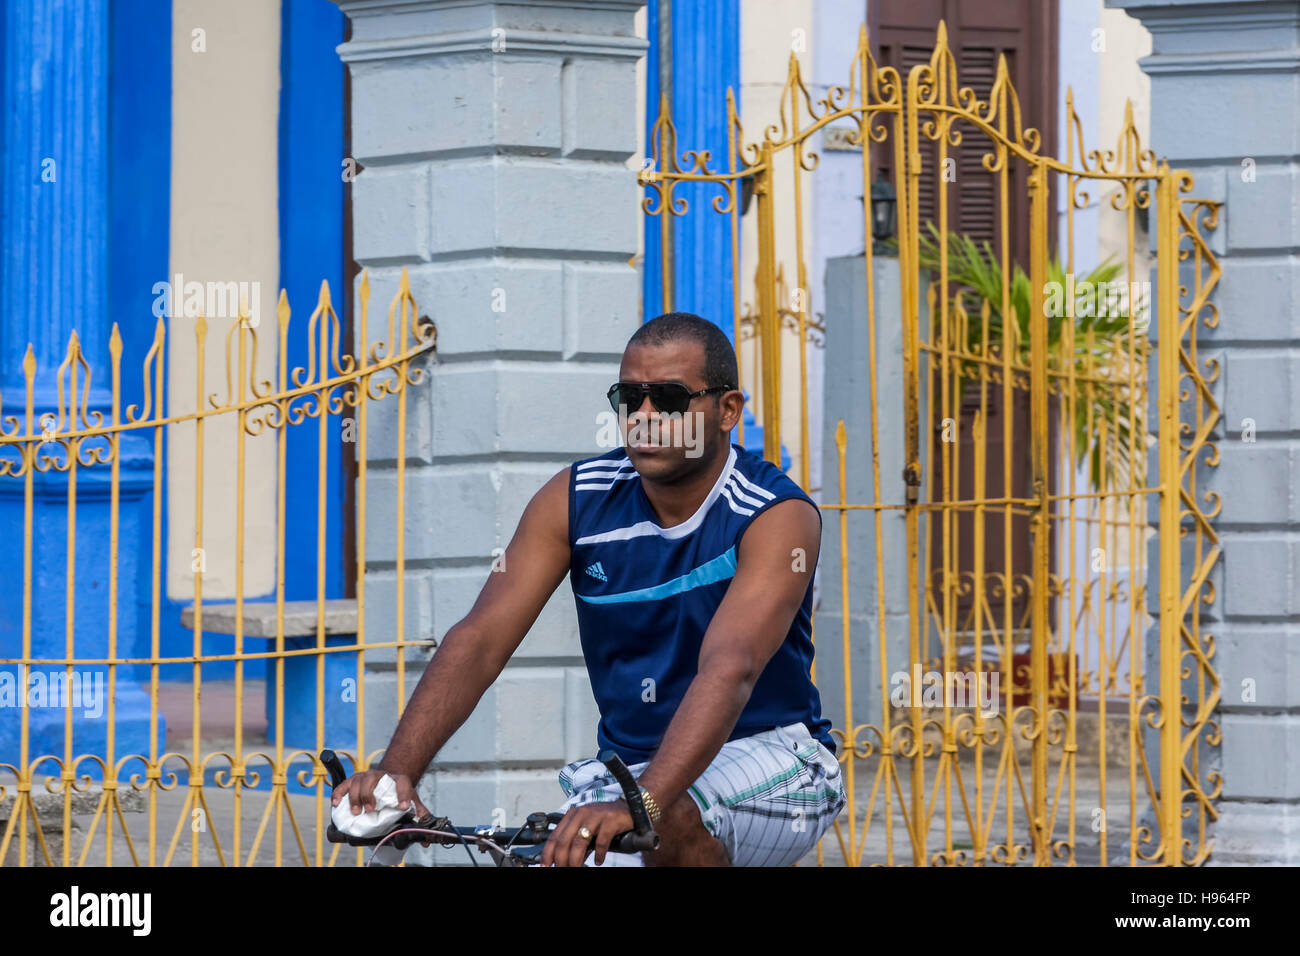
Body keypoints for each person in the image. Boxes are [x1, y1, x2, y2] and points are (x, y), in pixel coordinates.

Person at [331, 312, 846, 866]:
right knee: (577, 851)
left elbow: (731, 666)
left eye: (670, 399)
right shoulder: (576, 501)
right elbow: (481, 638)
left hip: (778, 757)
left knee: (665, 818)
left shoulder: (773, 514)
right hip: (635, 767)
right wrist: (398, 770)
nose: (645, 417)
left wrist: (646, 801)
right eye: (630, 398)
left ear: (727, 411)